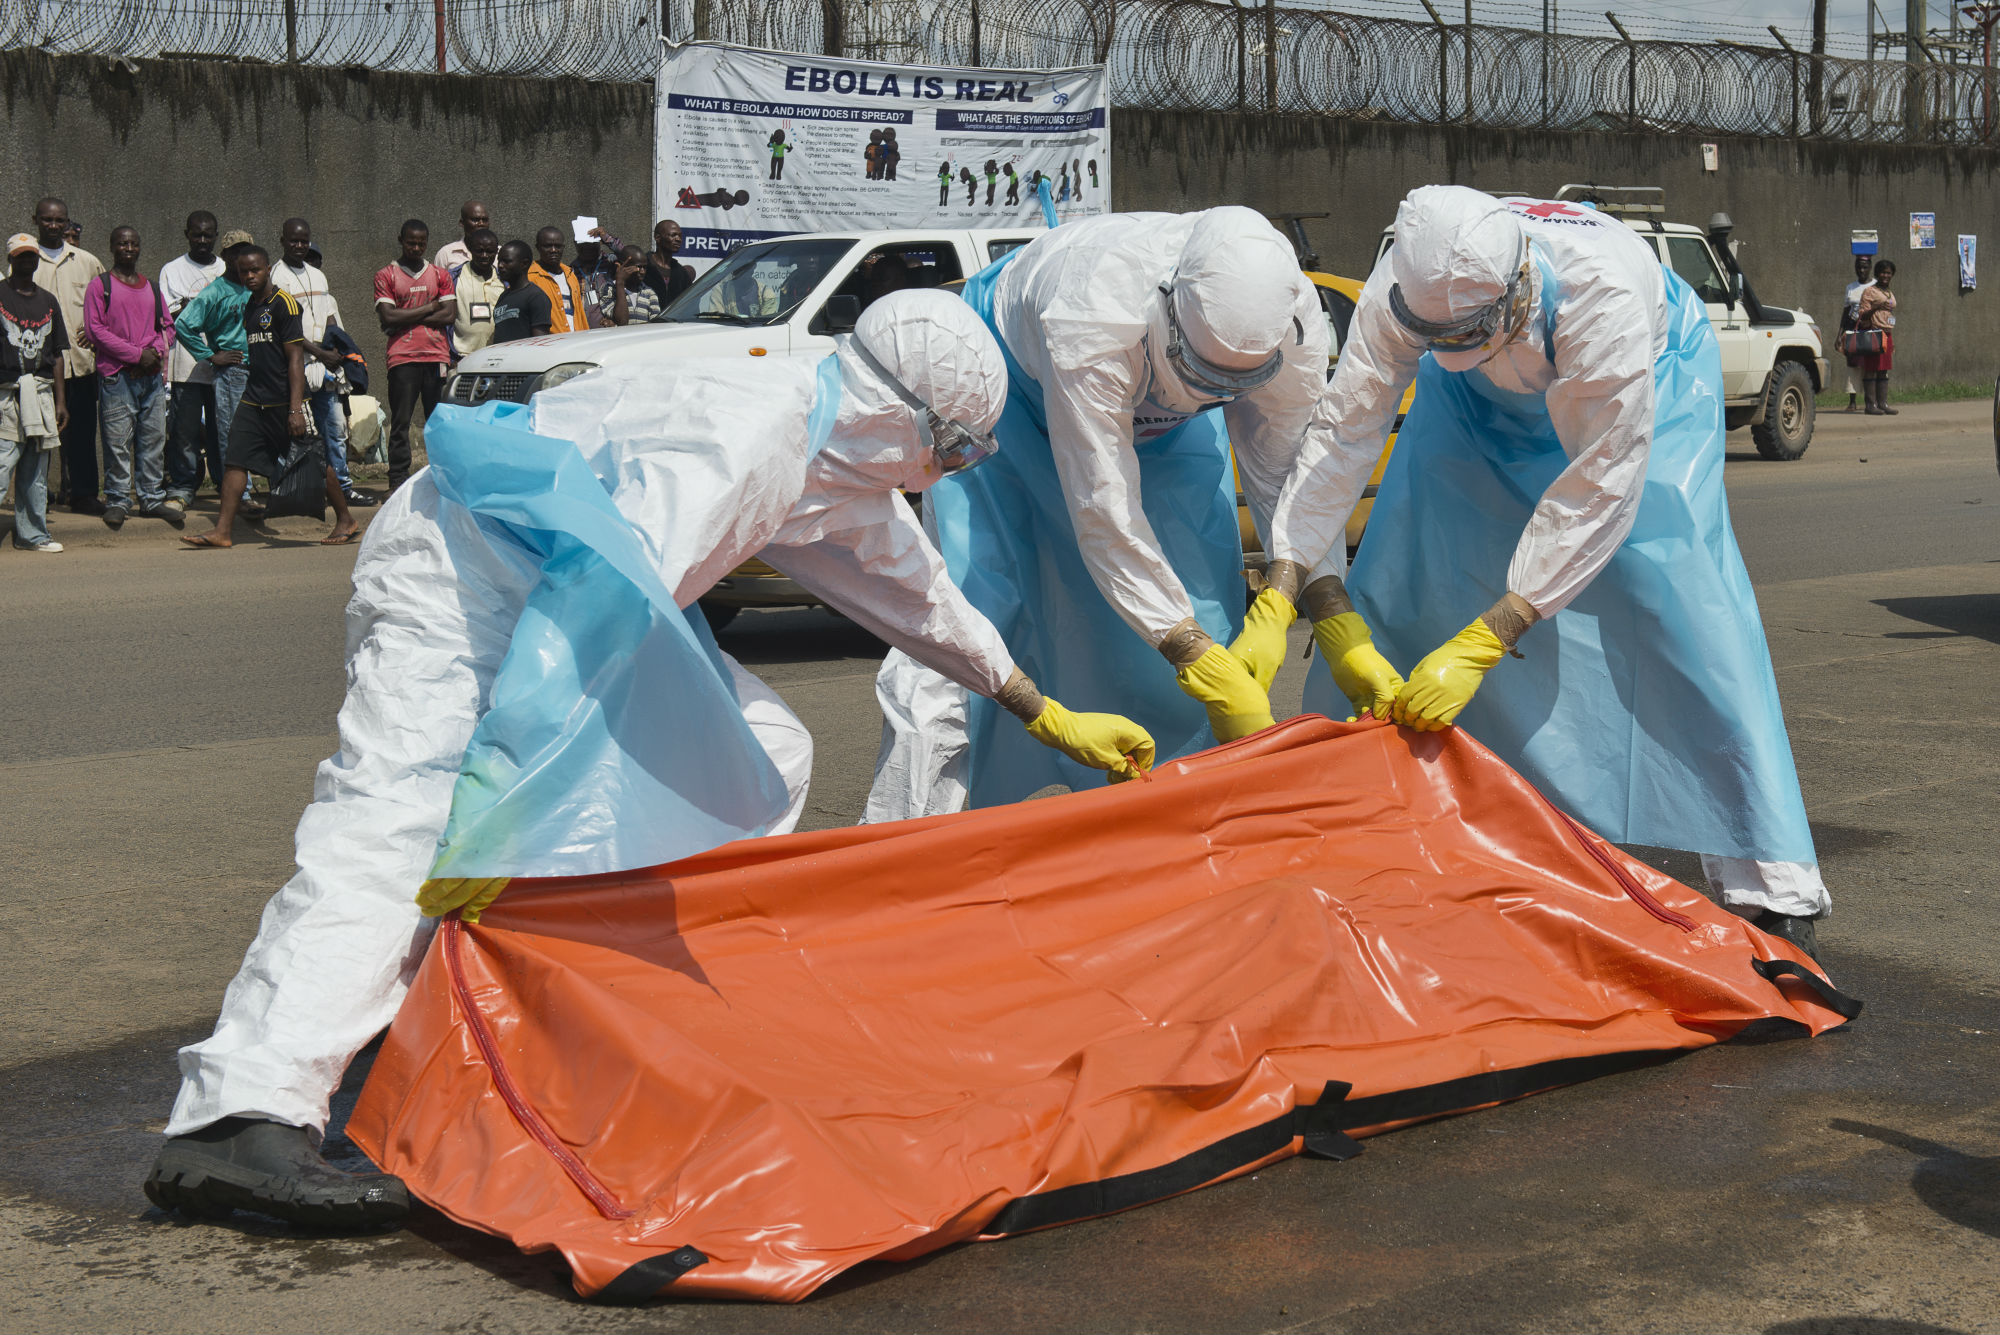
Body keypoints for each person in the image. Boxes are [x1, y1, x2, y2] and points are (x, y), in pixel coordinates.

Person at [144, 288, 1153, 1229]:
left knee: (762, 750)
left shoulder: (827, 438)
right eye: (957, 452)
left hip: (568, 589)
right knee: (399, 825)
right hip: (463, 583)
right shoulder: (747, 440)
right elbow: (590, 621)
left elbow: (906, 585)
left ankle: (531, 998)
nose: (954, 473)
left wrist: (1035, 705)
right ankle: (242, 1113)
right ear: (906, 424)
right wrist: (505, 801)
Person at [1259, 184, 1829, 958]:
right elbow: (1342, 437)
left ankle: (1769, 871)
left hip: (1649, 376)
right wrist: (1295, 583)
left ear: (1518, 284)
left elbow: (1601, 490)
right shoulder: (1409, 288)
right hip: (1469, 401)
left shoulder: (1606, 298)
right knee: (1405, 570)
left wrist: (1491, 635)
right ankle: (1362, 828)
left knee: (1678, 594)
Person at [865, 207, 1334, 823]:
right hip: (1010, 394)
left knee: (1204, 613)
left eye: (1233, 384)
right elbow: (1104, 504)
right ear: (1165, 308)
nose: (1213, 392)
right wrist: (1184, 646)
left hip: (1157, 432)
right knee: (964, 613)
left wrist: (1293, 596)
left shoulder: (1293, 320)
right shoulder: (1089, 307)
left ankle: (1185, 832)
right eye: (1200, 371)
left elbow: (1288, 474)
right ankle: (908, 841)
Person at [179, 246, 359, 550]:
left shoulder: (284, 305)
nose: (249, 276)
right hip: (253, 399)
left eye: (255, 270)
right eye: (243, 271)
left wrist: (295, 409)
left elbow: (294, 360)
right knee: (234, 460)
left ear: (267, 270)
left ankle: (345, 519)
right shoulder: (251, 305)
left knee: (310, 460)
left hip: (282, 402)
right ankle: (222, 531)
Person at [83, 226, 175, 529]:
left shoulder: (151, 287)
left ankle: (151, 497)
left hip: (150, 378)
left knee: (152, 439)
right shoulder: (101, 286)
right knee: (117, 441)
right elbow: (96, 330)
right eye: (122, 243)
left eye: (134, 244)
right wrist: (136, 356)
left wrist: (154, 353)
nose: (128, 248)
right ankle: (119, 499)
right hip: (117, 376)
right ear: (112, 247)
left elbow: (168, 327)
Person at [273, 219, 367, 508]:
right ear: (283, 241)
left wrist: (332, 350)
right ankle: (299, 490)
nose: (299, 246)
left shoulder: (318, 276)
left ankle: (342, 487)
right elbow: (283, 330)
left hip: (324, 365)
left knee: (334, 428)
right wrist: (319, 352)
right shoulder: (277, 276)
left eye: (304, 241)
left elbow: (327, 316)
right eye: (294, 241)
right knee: (297, 431)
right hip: (295, 364)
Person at [31, 197, 105, 514]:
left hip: (82, 363)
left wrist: (95, 330)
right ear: (36, 220)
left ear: (67, 222)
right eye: (47, 220)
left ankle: (84, 494)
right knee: (38, 434)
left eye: (59, 220)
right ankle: (37, 494)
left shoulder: (87, 262)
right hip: (41, 368)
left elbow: (107, 306)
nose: (54, 225)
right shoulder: (23, 260)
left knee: (84, 433)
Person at [172, 233, 256, 509]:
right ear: (226, 257)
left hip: (260, 369)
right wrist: (210, 355)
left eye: (246, 252)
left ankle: (264, 489)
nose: (240, 258)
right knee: (232, 433)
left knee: (261, 430)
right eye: (234, 253)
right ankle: (240, 495)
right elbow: (184, 325)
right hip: (232, 372)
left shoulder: (257, 286)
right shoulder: (215, 291)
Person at [372, 220, 455, 493]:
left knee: (437, 422)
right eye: (411, 242)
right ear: (401, 240)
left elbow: (449, 314)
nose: (416, 248)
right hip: (403, 358)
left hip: (436, 356)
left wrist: (404, 318)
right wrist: (431, 306)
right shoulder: (386, 275)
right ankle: (397, 480)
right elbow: (388, 316)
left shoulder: (440, 275)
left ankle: (442, 479)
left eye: (421, 243)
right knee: (401, 423)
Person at [0, 234, 69, 553]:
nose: (26, 261)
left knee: (35, 471)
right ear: (10, 259)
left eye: (31, 256)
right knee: (2, 464)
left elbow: (56, 354)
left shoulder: (48, 300)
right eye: (20, 256)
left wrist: (60, 401)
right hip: (7, 394)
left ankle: (33, 535)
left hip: (40, 394)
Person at [159, 212, 227, 516]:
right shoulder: (172, 270)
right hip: (185, 364)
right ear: (187, 234)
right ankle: (183, 488)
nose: (202, 240)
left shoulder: (226, 268)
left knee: (222, 431)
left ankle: (230, 487)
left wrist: (194, 306)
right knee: (184, 432)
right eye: (197, 235)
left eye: (208, 235)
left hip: (224, 367)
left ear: (215, 235)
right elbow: (170, 315)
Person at [448, 228, 504, 359]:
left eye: (489, 251)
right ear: (470, 250)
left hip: (495, 357)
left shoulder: (504, 281)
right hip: (461, 357)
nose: (484, 255)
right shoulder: (453, 278)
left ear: (496, 252)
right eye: (479, 251)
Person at [489, 239, 553, 343]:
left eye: (507, 261)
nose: (500, 265)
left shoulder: (535, 297)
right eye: (499, 261)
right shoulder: (503, 296)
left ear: (524, 263)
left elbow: (540, 342)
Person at [1856, 258, 1897, 416]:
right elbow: (1862, 314)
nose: (1885, 275)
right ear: (1877, 274)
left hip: (1887, 334)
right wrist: (1876, 307)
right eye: (1883, 272)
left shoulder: (1889, 292)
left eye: (1888, 273)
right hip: (1874, 333)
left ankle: (1883, 403)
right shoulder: (1870, 292)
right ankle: (1870, 405)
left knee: (1884, 370)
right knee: (1872, 369)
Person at [528, 227, 583, 333]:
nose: (553, 250)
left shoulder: (570, 275)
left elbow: (580, 313)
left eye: (558, 246)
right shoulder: (530, 277)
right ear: (538, 247)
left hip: (577, 340)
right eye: (547, 246)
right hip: (552, 344)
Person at [1838, 254, 1873, 413]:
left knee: (1869, 365)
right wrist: (1840, 334)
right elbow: (1846, 312)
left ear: (1870, 268)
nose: (1861, 270)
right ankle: (1852, 401)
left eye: (1865, 267)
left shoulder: (1875, 285)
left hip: (1870, 329)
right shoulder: (1850, 287)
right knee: (1852, 365)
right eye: (1858, 267)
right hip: (1853, 329)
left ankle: (1869, 401)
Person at [641, 220, 695, 312]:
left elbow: (689, 306)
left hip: (670, 325)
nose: (678, 239)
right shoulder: (643, 266)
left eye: (680, 236)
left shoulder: (681, 274)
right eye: (673, 235)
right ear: (657, 237)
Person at [432, 201, 490, 277]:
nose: (481, 224)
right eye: (475, 220)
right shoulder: (446, 254)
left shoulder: (499, 253)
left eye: (485, 220)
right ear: (462, 223)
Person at [613, 245, 658, 324]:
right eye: (638, 267)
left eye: (645, 267)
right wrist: (620, 283)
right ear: (620, 266)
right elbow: (621, 321)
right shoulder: (610, 289)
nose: (642, 271)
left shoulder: (649, 293)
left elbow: (655, 324)